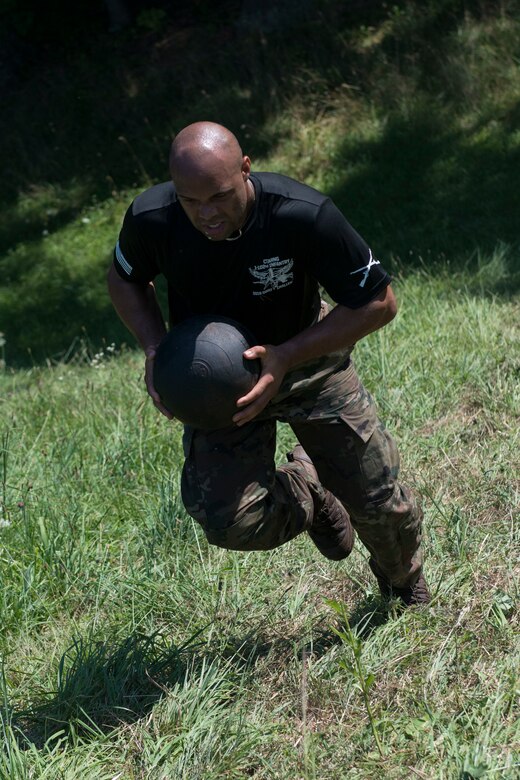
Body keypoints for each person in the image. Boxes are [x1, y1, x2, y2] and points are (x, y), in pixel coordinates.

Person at [107, 121, 430, 606]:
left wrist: (286, 356)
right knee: (228, 520)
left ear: (245, 168)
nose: (206, 214)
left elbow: (379, 302)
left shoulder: (303, 214)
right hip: (216, 381)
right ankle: (310, 488)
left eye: (218, 196)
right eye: (191, 201)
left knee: (379, 503)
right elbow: (124, 278)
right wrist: (155, 348)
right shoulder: (153, 217)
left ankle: (402, 585)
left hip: (304, 356)